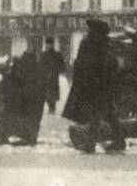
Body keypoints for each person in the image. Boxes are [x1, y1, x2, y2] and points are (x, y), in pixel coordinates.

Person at [63, 19, 123, 152]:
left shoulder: (88, 43)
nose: (88, 31)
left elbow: (81, 64)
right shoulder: (107, 43)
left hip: (90, 85)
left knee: (93, 115)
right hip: (104, 84)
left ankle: (90, 144)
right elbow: (113, 64)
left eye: (90, 29)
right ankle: (119, 141)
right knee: (108, 114)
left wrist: (78, 81)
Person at [0, 44, 44, 145]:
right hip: (33, 99)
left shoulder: (19, 67)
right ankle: (31, 137)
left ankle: (19, 135)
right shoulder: (37, 68)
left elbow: (10, 81)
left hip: (23, 98)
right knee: (32, 119)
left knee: (14, 116)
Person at [37, 39, 65, 113]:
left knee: (52, 93)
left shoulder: (57, 54)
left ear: (53, 44)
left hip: (53, 77)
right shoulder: (43, 54)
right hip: (45, 76)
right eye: (47, 44)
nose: (48, 46)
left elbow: (62, 65)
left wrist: (58, 71)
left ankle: (52, 108)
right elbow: (40, 65)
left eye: (50, 44)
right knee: (46, 92)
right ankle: (49, 107)